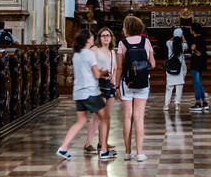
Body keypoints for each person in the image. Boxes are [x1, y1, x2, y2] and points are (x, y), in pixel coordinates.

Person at [56, 30, 108, 160]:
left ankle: (63, 148)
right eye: (92, 36)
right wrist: (104, 73)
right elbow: (96, 74)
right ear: (87, 40)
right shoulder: (89, 54)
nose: (93, 38)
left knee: (81, 121)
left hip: (78, 92)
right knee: (105, 118)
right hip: (90, 91)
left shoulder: (76, 55)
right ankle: (104, 150)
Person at [115, 13, 155, 161]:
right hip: (143, 83)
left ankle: (127, 152)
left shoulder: (122, 43)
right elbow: (153, 64)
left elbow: (119, 67)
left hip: (126, 82)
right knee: (139, 117)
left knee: (127, 117)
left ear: (127, 28)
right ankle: (139, 153)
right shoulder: (146, 41)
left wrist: (117, 85)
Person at [83, 26, 117, 157]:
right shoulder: (94, 50)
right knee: (97, 116)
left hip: (110, 85)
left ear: (111, 37)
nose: (106, 37)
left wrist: (114, 78)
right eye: (103, 35)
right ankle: (88, 144)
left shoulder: (112, 52)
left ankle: (102, 142)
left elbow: (115, 69)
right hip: (98, 85)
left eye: (108, 35)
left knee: (106, 116)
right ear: (99, 38)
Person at [186, 21, 209, 111]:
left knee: (196, 83)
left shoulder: (196, 39)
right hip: (201, 63)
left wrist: (193, 50)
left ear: (193, 30)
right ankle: (204, 102)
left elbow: (198, 53)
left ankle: (198, 103)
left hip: (196, 63)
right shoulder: (202, 38)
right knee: (199, 82)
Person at [163, 26, 188, 110]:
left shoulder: (169, 43)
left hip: (170, 67)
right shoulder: (183, 45)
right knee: (179, 86)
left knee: (169, 87)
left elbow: (169, 40)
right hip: (179, 68)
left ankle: (166, 105)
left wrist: (175, 36)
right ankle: (177, 104)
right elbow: (186, 44)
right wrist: (182, 38)